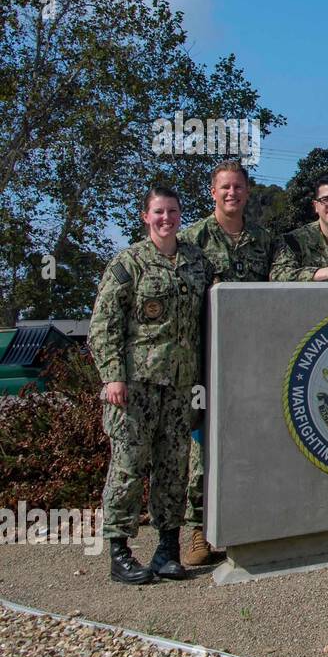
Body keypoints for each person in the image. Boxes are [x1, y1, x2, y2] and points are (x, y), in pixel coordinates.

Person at [88, 186, 211, 584]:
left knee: (173, 469)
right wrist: (112, 376)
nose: (166, 219)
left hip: (180, 387)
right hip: (136, 386)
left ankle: (166, 548)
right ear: (145, 216)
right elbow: (103, 324)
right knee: (128, 467)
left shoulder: (196, 262)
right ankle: (120, 551)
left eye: (173, 211)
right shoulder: (128, 264)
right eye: (158, 212)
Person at [176, 160, 273, 567]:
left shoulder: (265, 240)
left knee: (254, 441)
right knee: (203, 443)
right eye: (224, 188)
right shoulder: (191, 239)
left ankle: (248, 521)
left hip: (252, 360)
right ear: (212, 192)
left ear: (248, 193)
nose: (232, 194)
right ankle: (198, 529)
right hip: (202, 359)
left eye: (238, 187)